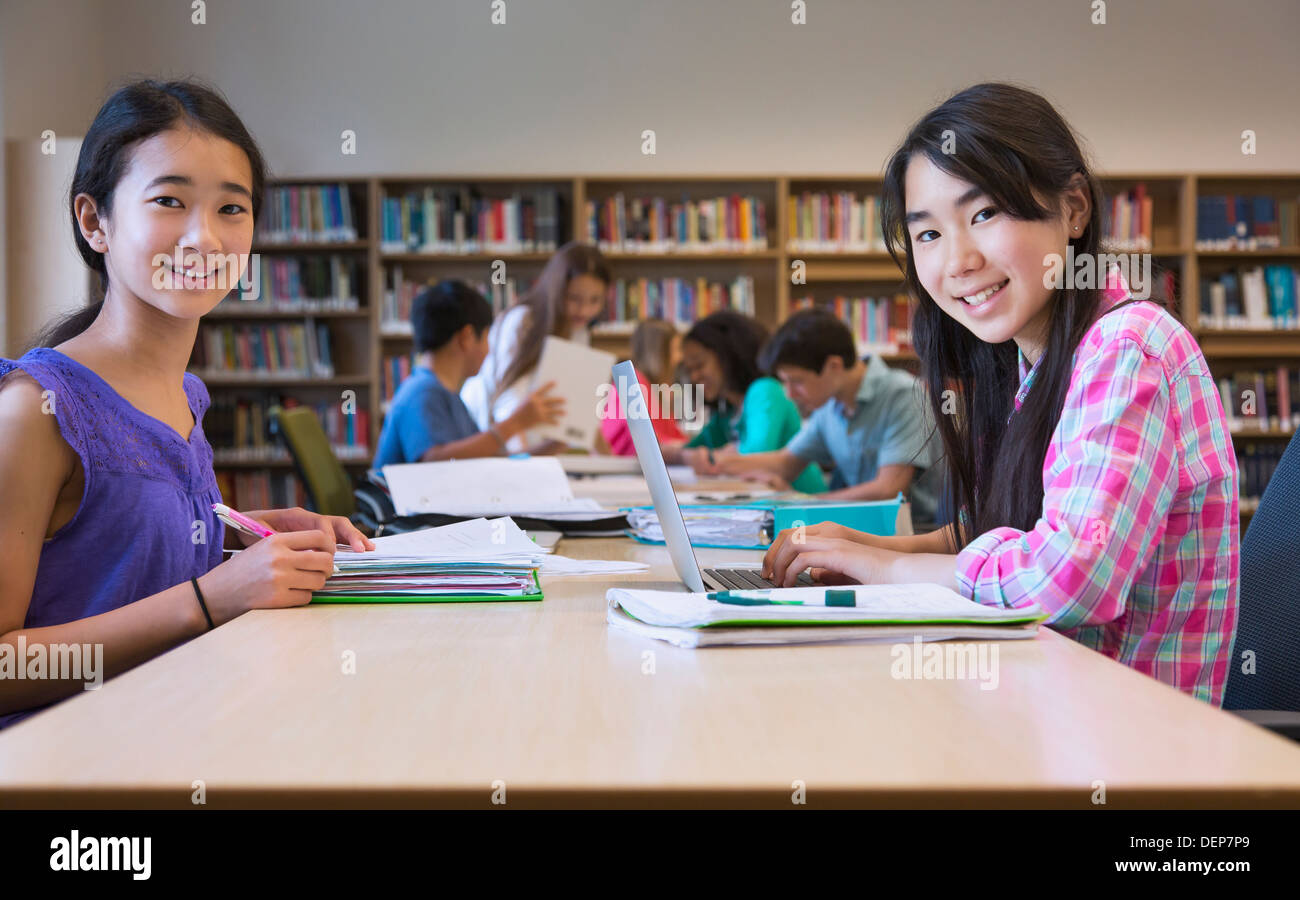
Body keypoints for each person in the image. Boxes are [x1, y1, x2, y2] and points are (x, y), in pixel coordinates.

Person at [762, 82, 1238, 706]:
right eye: (927, 234)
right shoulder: (1031, 363)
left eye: (984, 214)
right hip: (1041, 711)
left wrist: (890, 570)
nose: (957, 261)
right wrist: (858, 551)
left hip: (1128, 750)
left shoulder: (1128, 345)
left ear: (1073, 209)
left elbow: (1073, 577)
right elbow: (1002, 530)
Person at [0, 79, 374, 730]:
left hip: (187, 730)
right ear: (95, 222)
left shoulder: (186, 396)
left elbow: (107, 550)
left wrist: (243, 536)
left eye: (232, 209)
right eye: (170, 201)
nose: (204, 238)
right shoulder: (35, 413)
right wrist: (210, 599)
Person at [701, 308, 947, 527]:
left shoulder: (903, 396)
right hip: (861, 524)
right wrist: (716, 462)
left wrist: (807, 501)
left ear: (833, 366)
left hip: (913, 533)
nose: (789, 393)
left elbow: (888, 491)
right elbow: (785, 462)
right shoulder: (830, 405)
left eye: (797, 382)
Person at [373, 281, 563, 467]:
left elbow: (487, 460)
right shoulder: (422, 393)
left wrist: (549, 448)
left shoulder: (448, 396)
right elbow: (434, 461)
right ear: (467, 337)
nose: (490, 350)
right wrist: (514, 423)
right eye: (488, 338)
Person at [461, 242, 610, 454]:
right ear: (557, 289)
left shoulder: (579, 332)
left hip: (534, 446)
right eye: (574, 298)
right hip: (492, 436)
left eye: (595, 300)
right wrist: (523, 461)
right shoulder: (522, 320)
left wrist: (607, 458)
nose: (584, 310)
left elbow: (575, 400)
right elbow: (509, 399)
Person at [673, 310, 826, 494]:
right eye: (689, 370)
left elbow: (753, 457)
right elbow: (691, 450)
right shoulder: (727, 411)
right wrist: (685, 455)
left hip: (805, 509)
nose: (693, 377)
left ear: (729, 355)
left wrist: (708, 457)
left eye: (699, 365)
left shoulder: (765, 390)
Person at [599, 318, 686, 456]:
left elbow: (672, 437)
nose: (680, 358)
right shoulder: (633, 385)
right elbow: (648, 443)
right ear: (657, 353)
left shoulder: (653, 388)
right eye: (675, 350)